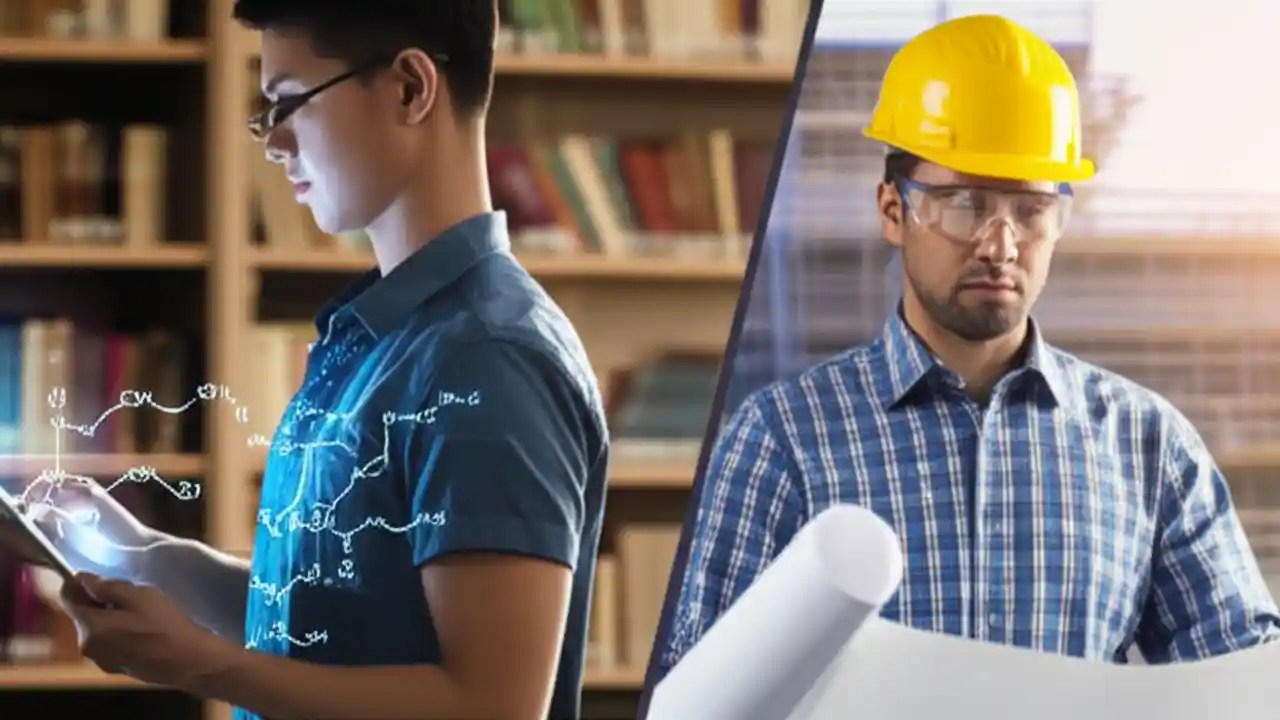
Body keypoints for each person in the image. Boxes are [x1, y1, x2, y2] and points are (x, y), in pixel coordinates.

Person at [2, 2, 610, 718]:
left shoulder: (488, 360)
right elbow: (328, 625)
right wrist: (140, 556)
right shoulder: (380, 339)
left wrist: (203, 665)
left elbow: (491, 707)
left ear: (411, 88)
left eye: (290, 103)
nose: (273, 140)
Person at [658, 14, 1280, 680]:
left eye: (1031, 211)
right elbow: (698, 687)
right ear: (893, 211)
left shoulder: (1148, 446)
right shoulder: (781, 440)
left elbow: (1244, 680)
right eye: (964, 205)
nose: (1000, 246)